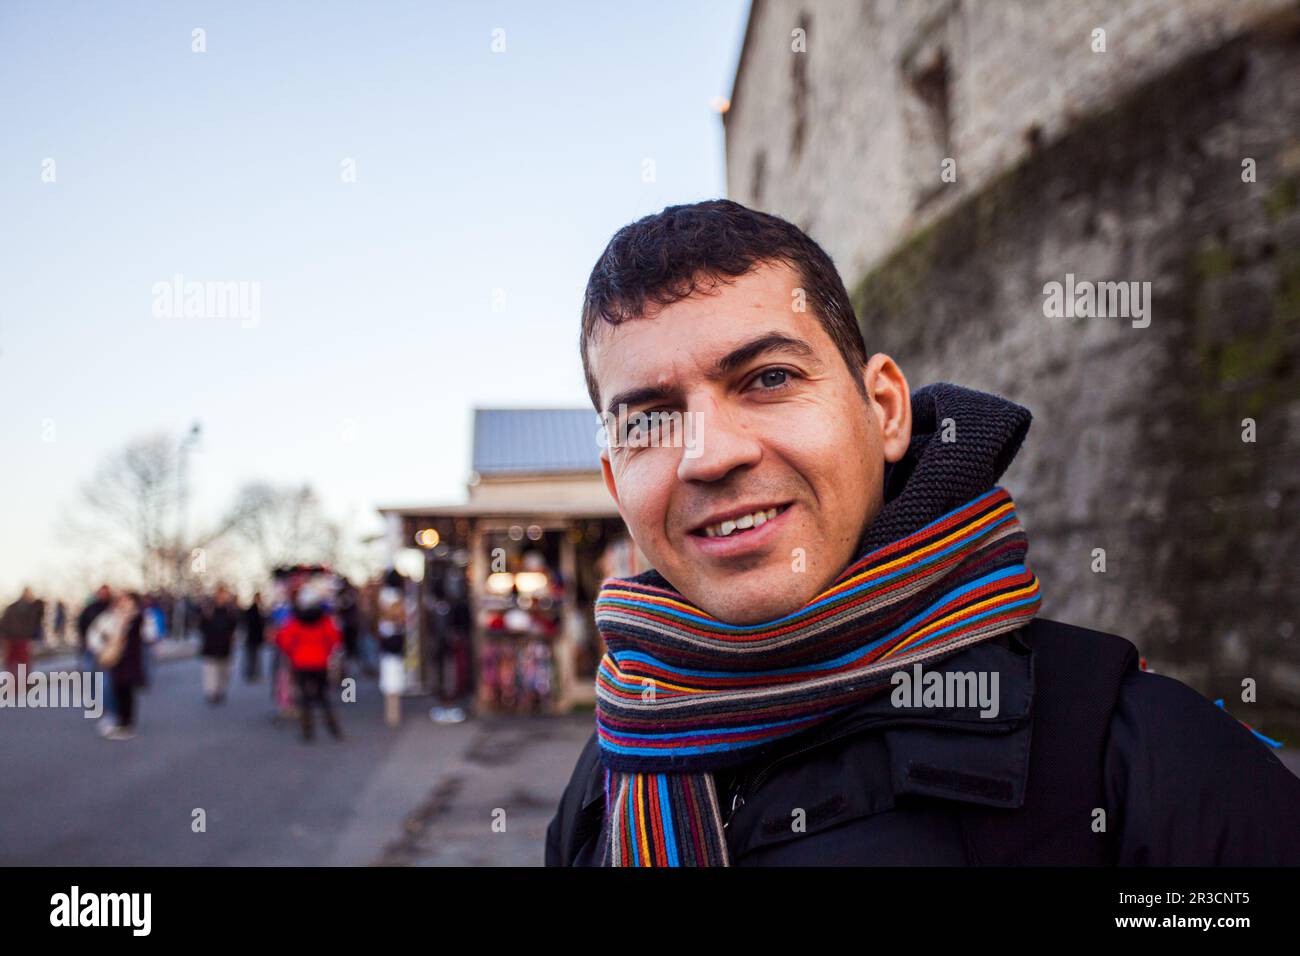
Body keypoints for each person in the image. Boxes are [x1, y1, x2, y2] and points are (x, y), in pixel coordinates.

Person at [546, 199, 1300, 867]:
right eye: (651, 421)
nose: (710, 455)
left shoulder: (1142, 758)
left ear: (885, 411)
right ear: (617, 485)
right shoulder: (607, 777)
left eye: (769, 378)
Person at [276, 588, 343, 742]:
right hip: (320, 662)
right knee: (323, 696)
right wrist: (326, 652)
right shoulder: (324, 620)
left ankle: (307, 732)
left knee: (305, 698)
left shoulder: (295, 621)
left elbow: (284, 640)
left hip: (301, 663)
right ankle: (333, 728)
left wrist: (294, 653)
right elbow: (335, 638)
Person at [87, 592, 143, 739]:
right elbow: (96, 633)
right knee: (116, 689)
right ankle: (118, 720)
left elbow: (148, 634)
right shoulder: (111, 617)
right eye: (123, 601)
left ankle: (126, 723)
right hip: (114, 659)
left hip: (129, 660)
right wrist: (101, 648)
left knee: (126, 691)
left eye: (128, 601)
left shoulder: (138, 618)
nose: (125, 604)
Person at [198, 585, 240, 704]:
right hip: (211, 646)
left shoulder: (230, 611)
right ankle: (211, 692)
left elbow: (234, 626)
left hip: (224, 646)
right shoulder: (208, 610)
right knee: (210, 671)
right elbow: (202, 626)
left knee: (223, 671)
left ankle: (220, 690)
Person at [376, 571, 406, 728]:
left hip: (387, 637)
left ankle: (391, 713)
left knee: (389, 671)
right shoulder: (396, 596)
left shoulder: (384, 595)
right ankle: (393, 714)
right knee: (395, 671)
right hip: (394, 638)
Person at [0, 587, 44, 675]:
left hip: (19, 639)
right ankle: (16, 682)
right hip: (16, 639)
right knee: (16, 662)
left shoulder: (27, 608)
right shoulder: (21, 608)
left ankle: (18, 682)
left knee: (17, 663)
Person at [243, 592, 265, 682]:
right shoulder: (253, 610)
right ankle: (251, 674)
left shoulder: (259, 610)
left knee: (254, 657)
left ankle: (253, 673)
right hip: (252, 638)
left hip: (255, 638)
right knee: (252, 657)